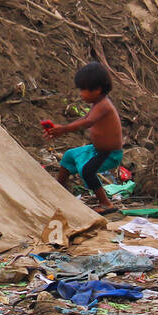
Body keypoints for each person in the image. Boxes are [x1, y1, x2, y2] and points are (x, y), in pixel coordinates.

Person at [46, 62, 125, 214]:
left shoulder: (104, 105)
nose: (81, 94)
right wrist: (60, 128)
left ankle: (106, 203)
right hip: (95, 150)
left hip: (109, 154)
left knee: (87, 171)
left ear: (98, 90)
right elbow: (85, 118)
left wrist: (63, 129)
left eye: (84, 90)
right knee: (69, 156)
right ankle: (58, 190)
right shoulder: (96, 104)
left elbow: (88, 122)